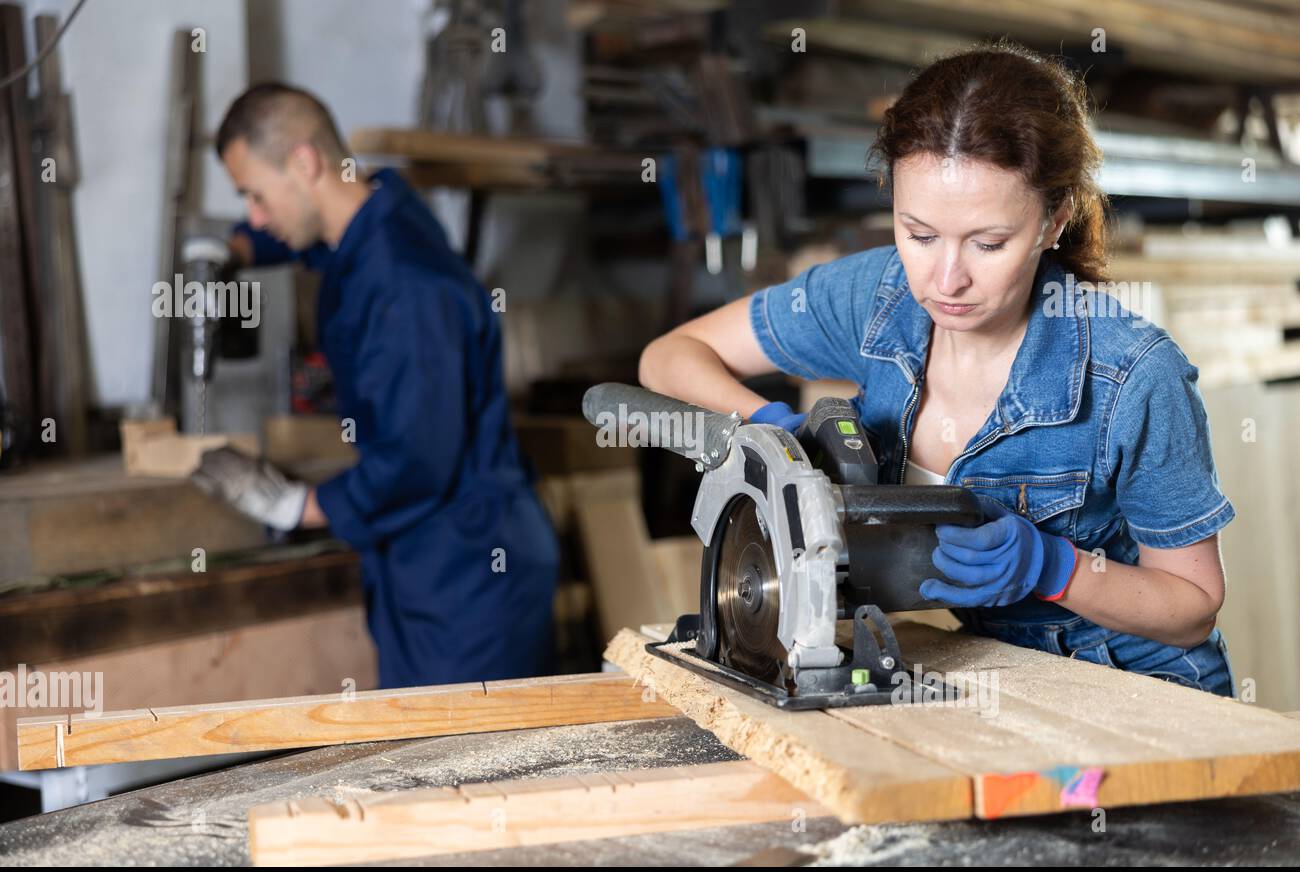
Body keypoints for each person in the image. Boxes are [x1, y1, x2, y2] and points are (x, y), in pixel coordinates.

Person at [638, 44, 1237, 697]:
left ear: (1053, 221)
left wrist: (1052, 567)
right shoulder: (875, 297)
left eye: (988, 243)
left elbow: (1192, 606)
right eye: (919, 234)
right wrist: (771, 430)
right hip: (1003, 678)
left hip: (1147, 693)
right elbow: (667, 358)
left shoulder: (1132, 374)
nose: (946, 278)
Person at [194, 83, 558, 689]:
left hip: (468, 578)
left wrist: (297, 505)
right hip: (429, 562)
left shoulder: (404, 288)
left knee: (461, 775)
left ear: (304, 163)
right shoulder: (377, 211)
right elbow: (319, 240)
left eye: (255, 196)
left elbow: (417, 461)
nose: (255, 215)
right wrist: (228, 250)